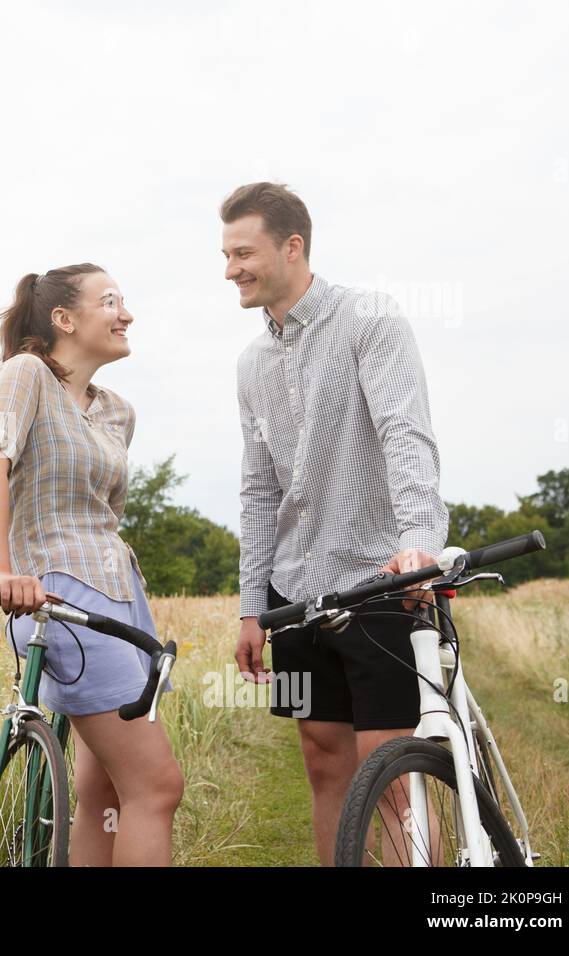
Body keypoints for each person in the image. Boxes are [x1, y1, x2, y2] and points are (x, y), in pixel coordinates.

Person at [222, 182, 449, 865]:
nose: (230, 269)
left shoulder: (368, 320)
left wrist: (418, 549)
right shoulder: (250, 363)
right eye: (225, 254)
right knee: (324, 765)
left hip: (381, 580)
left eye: (243, 252)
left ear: (293, 246)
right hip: (297, 594)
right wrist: (250, 608)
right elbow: (259, 492)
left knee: (389, 778)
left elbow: (406, 437)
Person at [0, 263, 184, 867]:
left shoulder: (117, 411)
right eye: (110, 301)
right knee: (157, 786)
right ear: (64, 319)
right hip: (57, 595)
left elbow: (103, 516)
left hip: (121, 598)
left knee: (106, 790)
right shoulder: (24, 375)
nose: (126, 313)